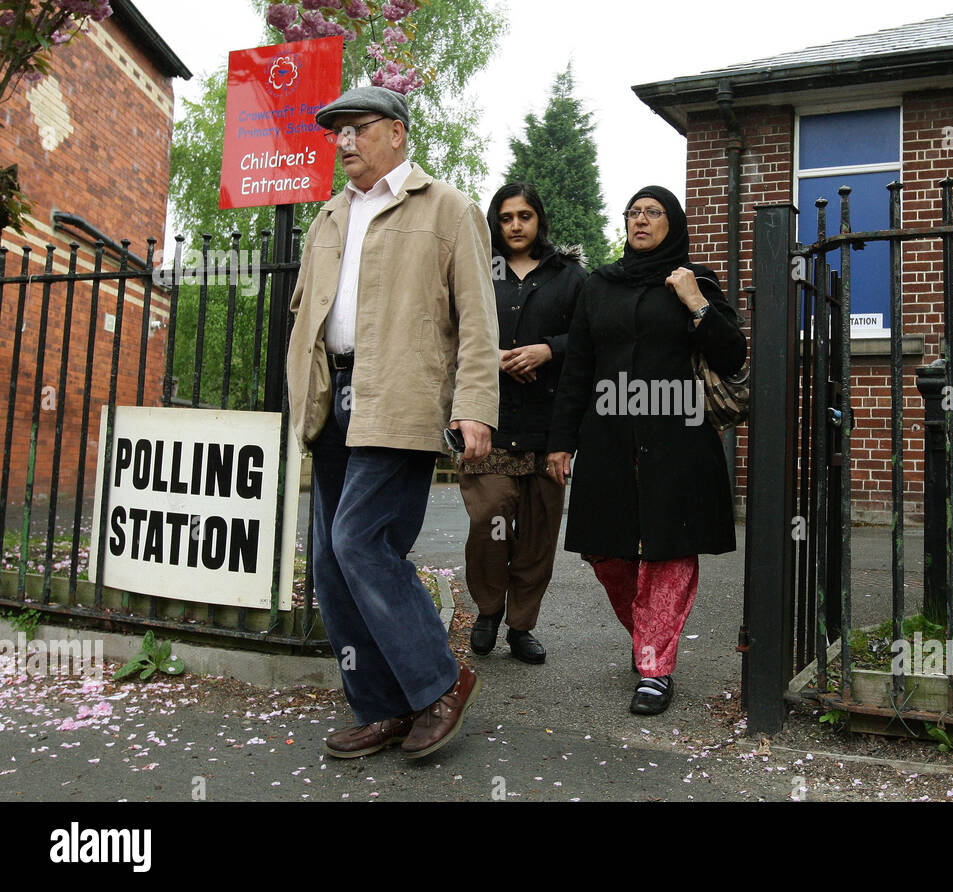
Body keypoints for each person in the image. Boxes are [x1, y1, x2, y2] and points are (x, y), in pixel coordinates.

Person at [286, 86, 499, 760]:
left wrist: (474, 405)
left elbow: (477, 318)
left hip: (400, 397)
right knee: (328, 561)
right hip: (334, 396)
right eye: (336, 132)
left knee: (359, 541)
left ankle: (440, 682)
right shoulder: (328, 217)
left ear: (399, 133)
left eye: (358, 127)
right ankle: (383, 707)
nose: (343, 141)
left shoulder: (449, 209)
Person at [546, 185, 746, 715]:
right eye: (633, 211)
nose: (640, 220)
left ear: (672, 223)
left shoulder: (693, 280)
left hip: (678, 438)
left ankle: (655, 667)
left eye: (653, 213)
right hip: (608, 437)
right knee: (606, 552)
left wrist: (696, 302)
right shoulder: (599, 286)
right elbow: (577, 368)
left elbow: (731, 353)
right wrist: (561, 441)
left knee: (668, 549)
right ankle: (649, 638)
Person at [460, 183, 587, 663]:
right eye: (506, 216)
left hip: (548, 428)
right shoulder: (477, 269)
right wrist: (487, 357)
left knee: (537, 534)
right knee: (489, 520)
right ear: (496, 222)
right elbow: (451, 327)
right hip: (489, 422)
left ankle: (521, 627)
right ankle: (488, 610)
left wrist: (548, 348)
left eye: (525, 216)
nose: (515, 225)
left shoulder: (569, 276)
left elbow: (590, 337)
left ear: (540, 221)